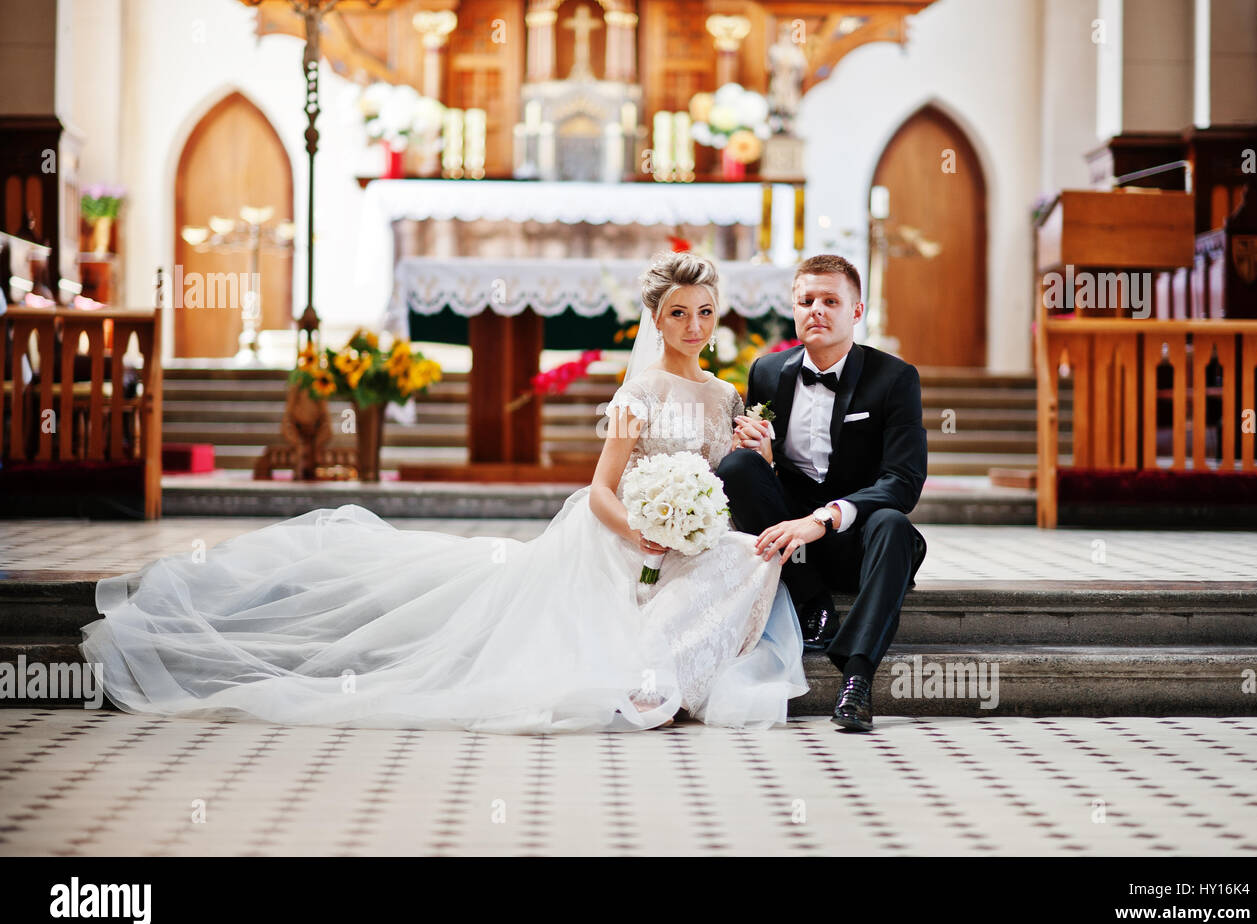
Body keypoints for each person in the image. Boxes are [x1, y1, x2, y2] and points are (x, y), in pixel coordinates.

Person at [79, 251, 808, 734]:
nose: (693, 325)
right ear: (657, 318)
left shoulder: (724, 391)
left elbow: (723, 479)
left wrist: (750, 458)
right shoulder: (639, 391)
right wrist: (642, 531)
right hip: (624, 542)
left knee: (748, 551)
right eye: (678, 312)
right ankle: (660, 677)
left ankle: (673, 672)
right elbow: (599, 491)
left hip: (688, 541)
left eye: (705, 312)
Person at [718, 254, 927, 733]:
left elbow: (903, 481)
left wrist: (828, 517)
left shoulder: (894, 379)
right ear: (794, 308)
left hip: (857, 538)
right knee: (738, 467)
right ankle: (812, 605)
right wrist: (765, 460)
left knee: (895, 525)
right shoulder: (768, 373)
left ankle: (856, 678)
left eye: (831, 301)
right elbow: (766, 474)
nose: (817, 310)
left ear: (856, 311)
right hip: (796, 548)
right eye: (806, 300)